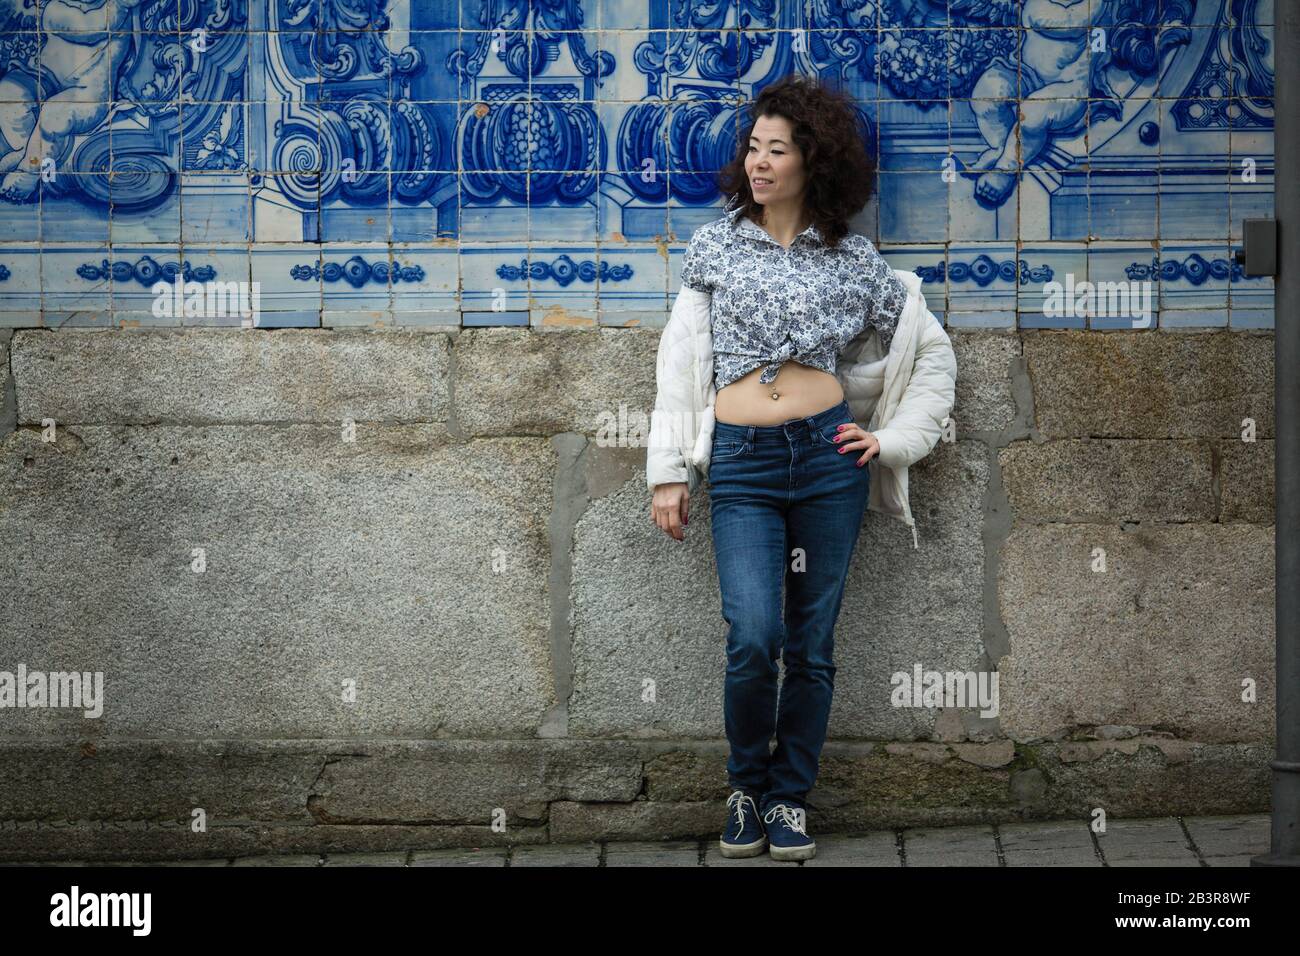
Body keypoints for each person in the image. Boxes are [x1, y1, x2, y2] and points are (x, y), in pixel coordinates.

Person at [646, 75, 956, 862]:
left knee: (811, 643)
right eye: (752, 147)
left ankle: (790, 799)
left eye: (775, 150)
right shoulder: (717, 243)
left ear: (811, 162)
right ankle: (745, 786)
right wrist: (669, 470)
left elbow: (931, 353)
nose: (758, 162)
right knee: (753, 636)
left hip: (826, 462)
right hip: (744, 466)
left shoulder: (854, 260)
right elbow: (680, 363)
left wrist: (891, 443)